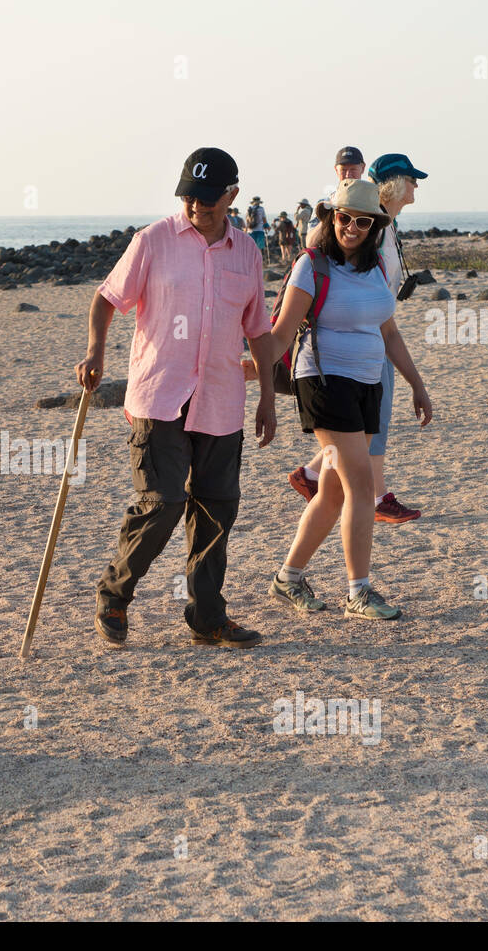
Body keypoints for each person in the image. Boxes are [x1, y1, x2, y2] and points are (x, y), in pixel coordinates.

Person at [78, 147, 271, 648]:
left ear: (231, 196)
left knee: (216, 509)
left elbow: (260, 331)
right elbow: (107, 297)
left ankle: (207, 618)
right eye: (189, 196)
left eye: (207, 199)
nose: (196, 207)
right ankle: (114, 595)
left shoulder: (248, 253)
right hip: (159, 397)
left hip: (221, 400)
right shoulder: (153, 241)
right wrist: (96, 349)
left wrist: (269, 396)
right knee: (163, 503)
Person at [247, 179, 432, 620]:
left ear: (375, 225)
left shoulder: (374, 271)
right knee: (362, 488)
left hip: (368, 385)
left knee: (330, 493)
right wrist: (254, 373)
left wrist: (416, 384)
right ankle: (359, 592)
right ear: (331, 218)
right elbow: (283, 332)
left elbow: (389, 332)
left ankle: (287, 578)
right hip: (325, 385)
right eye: (344, 217)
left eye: (362, 220)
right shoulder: (312, 266)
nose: (351, 227)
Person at [288, 152, 429, 523]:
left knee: (360, 431)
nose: (416, 186)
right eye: (411, 179)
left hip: (374, 334)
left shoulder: (386, 226)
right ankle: (375, 495)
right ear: (396, 183)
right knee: (372, 427)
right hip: (352, 345)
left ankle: (314, 475)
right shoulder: (372, 229)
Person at [306, 146, 365, 247]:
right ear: (336, 170)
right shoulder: (324, 204)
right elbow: (310, 243)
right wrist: (330, 212)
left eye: (353, 169)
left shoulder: (372, 201)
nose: (348, 174)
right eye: (343, 170)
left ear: (362, 168)